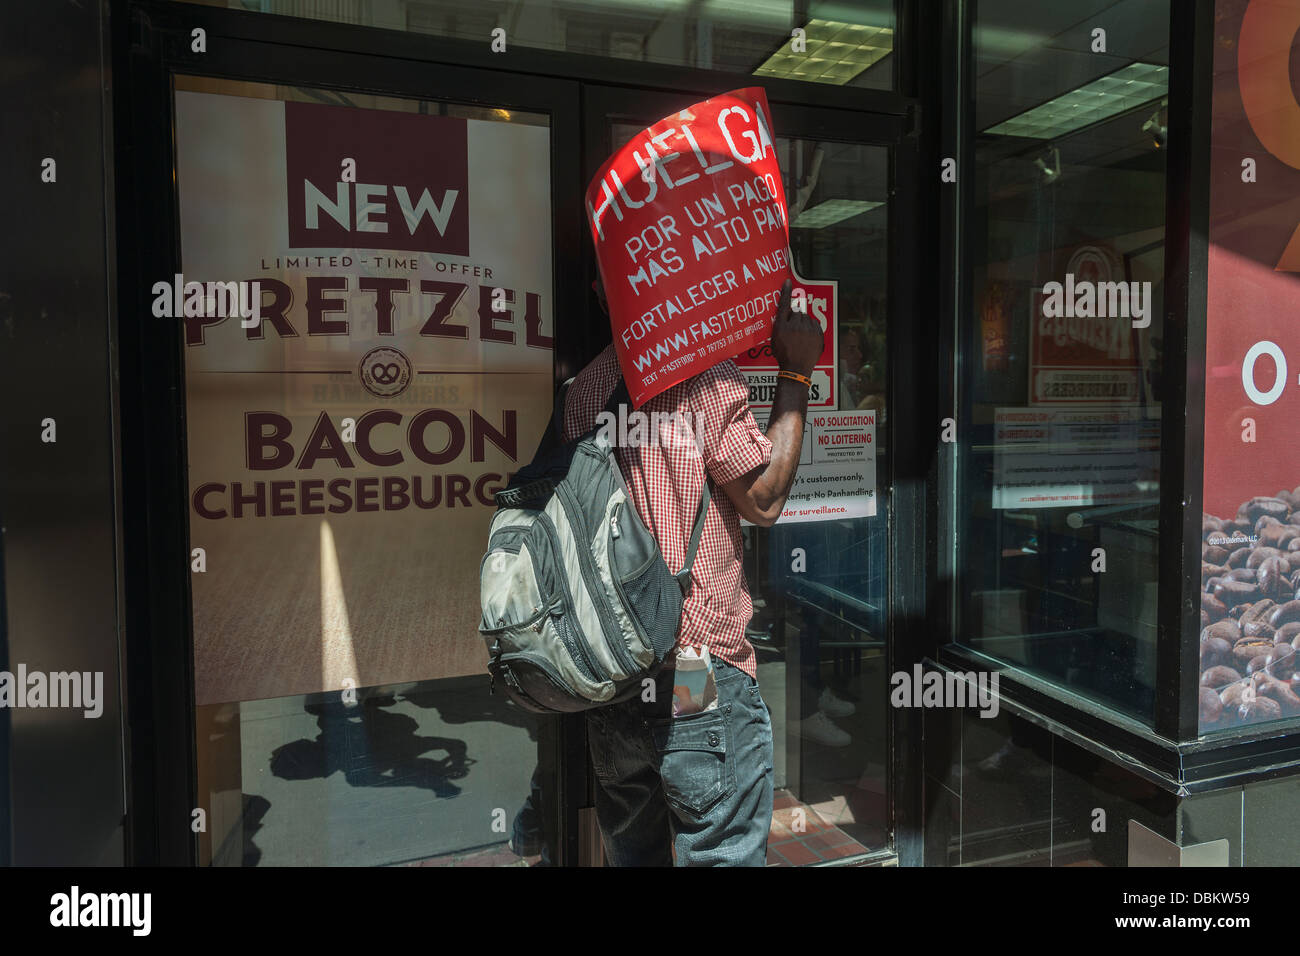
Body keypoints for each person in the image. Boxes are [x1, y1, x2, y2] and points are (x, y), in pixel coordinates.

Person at [563, 276, 823, 866]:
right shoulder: (702, 376)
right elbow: (765, 500)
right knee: (722, 848)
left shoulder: (583, 392)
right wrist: (797, 372)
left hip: (615, 671)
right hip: (693, 667)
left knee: (634, 854)